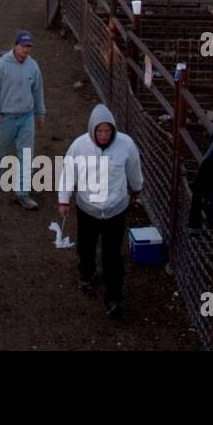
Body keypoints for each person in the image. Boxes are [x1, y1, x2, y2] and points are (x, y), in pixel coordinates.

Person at [57, 104, 144, 317]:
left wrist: (137, 187)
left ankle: (114, 298)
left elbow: (133, 168)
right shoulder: (79, 146)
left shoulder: (126, 145)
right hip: (88, 208)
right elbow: (69, 172)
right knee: (86, 246)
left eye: (107, 131)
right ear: (92, 130)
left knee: (112, 254)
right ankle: (86, 273)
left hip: (115, 209)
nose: (104, 135)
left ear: (113, 130)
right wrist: (64, 199)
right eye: (100, 131)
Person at [0, 30, 46, 210]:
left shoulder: (33, 67)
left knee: (26, 155)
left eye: (28, 46)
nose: (26, 50)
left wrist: (39, 114)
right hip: (6, 118)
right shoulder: (0, 66)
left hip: (26, 117)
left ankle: (22, 193)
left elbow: (37, 91)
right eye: (23, 46)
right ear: (15, 45)